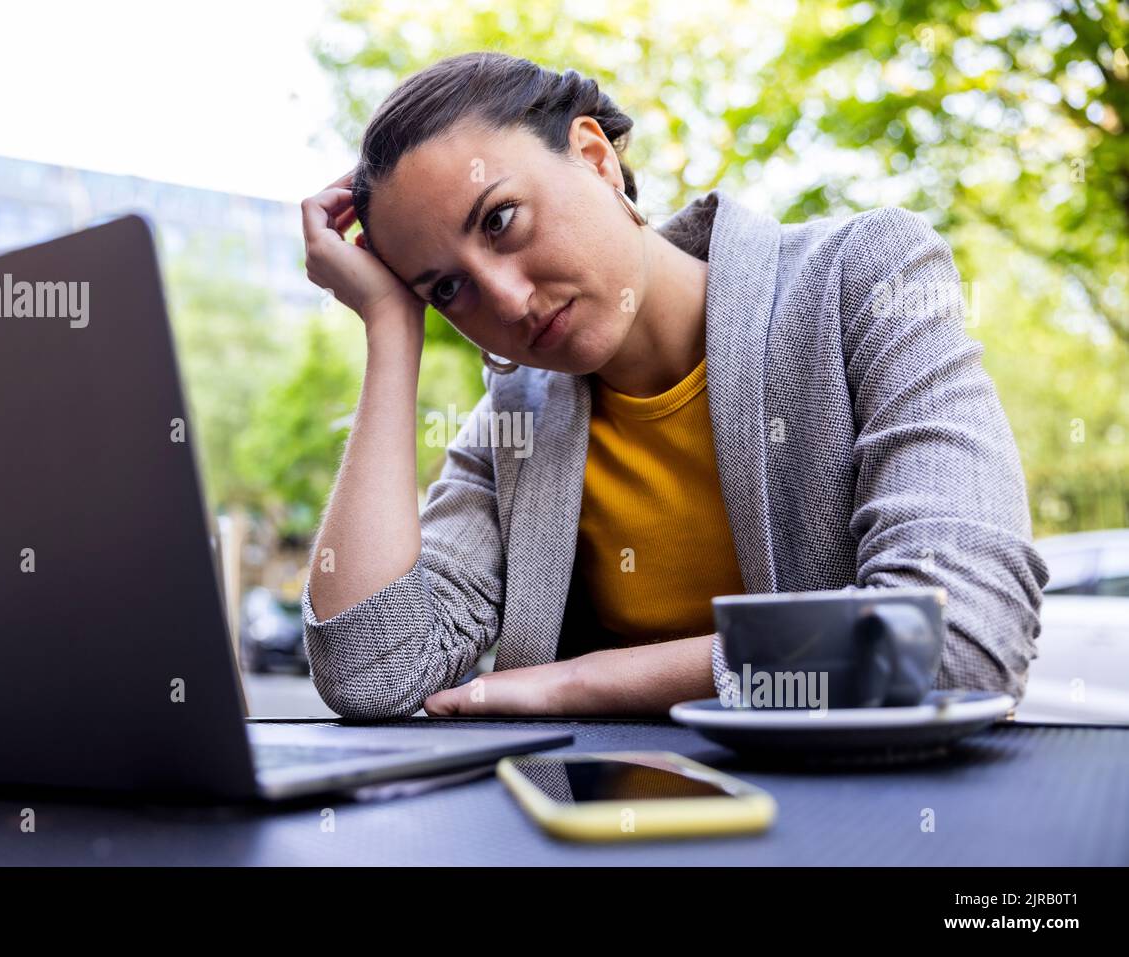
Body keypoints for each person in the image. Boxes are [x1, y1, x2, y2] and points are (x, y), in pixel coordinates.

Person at [297, 50, 1048, 720]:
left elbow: (959, 637)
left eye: (500, 219)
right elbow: (372, 669)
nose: (507, 298)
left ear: (595, 157)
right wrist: (392, 329)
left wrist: (580, 683)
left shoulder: (864, 281)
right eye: (448, 289)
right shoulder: (512, 424)